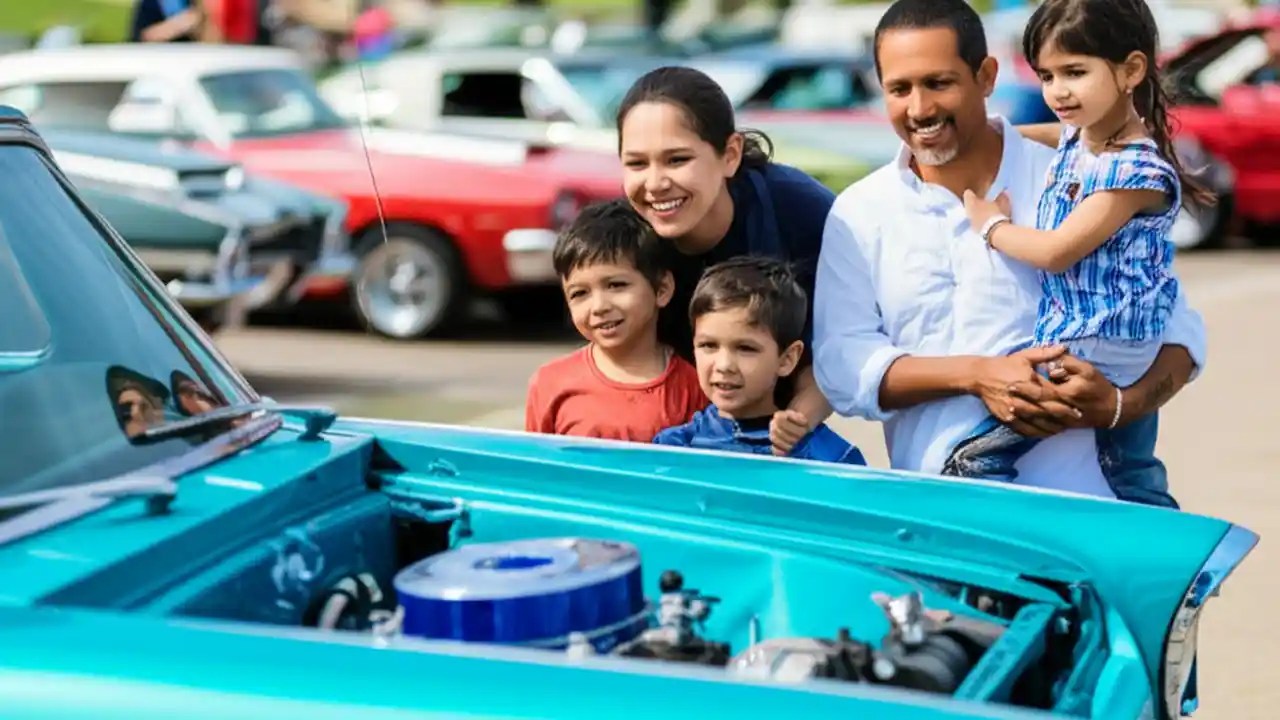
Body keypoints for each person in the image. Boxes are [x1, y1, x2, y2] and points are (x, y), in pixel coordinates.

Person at [812, 0, 1207, 503]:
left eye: (938, 83)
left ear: (986, 76)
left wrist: (1118, 406)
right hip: (944, 519)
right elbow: (842, 365)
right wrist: (977, 375)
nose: (919, 109)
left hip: (1093, 515)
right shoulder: (859, 212)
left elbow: (1177, 327)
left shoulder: (1073, 178)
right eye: (899, 88)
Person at [940, 0, 1215, 494]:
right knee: (1129, 469)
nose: (1057, 91)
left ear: (1131, 70)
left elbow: (1057, 251)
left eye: (1074, 72)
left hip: (1097, 348)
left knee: (971, 461)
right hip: (1114, 340)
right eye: (1046, 75)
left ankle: (1008, 527)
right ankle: (1163, 555)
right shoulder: (1086, 136)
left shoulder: (1134, 173)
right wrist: (984, 138)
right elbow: (1048, 135)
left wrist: (991, 225)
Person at [616, 66, 838, 456]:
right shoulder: (625, 237)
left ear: (730, 155)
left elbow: (846, 345)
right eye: (636, 164)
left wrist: (793, 426)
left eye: (677, 159)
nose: (655, 183)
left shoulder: (801, 213)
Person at [525, 199, 707, 442]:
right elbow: (536, 472)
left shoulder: (694, 386)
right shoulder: (550, 383)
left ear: (662, 289)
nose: (599, 307)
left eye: (616, 285)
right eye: (580, 294)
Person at [655, 257, 866, 465]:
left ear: (787, 359)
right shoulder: (672, 451)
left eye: (745, 348)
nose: (724, 365)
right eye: (708, 345)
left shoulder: (831, 462)